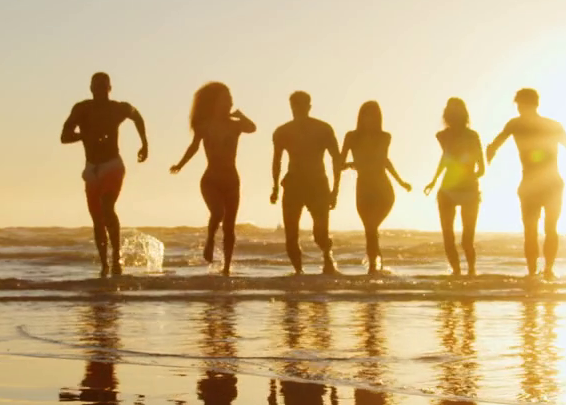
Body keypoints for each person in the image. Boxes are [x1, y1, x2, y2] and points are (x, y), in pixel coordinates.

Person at [485, 87, 566, 279]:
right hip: (546, 184)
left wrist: (489, 153)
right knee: (541, 230)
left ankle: (540, 271)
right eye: (519, 106)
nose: (520, 109)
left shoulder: (519, 124)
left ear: (528, 105)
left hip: (541, 184)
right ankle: (542, 271)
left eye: (521, 105)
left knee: (539, 230)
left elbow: (495, 145)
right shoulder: (546, 125)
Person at [60, 72, 148, 278]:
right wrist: (84, 135)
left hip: (112, 165)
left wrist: (144, 143)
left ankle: (116, 257)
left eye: (103, 86)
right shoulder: (82, 109)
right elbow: (64, 136)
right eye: (96, 86)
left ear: (110, 88)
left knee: (108, 207)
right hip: (92, 169)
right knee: (97, 220)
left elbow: (136, 115)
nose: (99, 89)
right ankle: (104, 265)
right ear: (91, 89)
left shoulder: (117, 108)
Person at [169, 81, 256, 275]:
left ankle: (226, 267)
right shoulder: (204, 126)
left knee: (230, 227)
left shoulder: (235, 125)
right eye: (226, 98)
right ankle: (209, 239)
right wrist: (180, 165)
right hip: (211, 180)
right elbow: (194, 147)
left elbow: (252, 128)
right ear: (215, 102)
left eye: (231, 98)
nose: (230, 101)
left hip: (232, 180)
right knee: (218, 213)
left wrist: (240, 114)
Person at [269, 91, 342, 275]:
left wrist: (335, 190)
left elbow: (336, 159)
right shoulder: (282, 131)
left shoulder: (323, 129)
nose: (298, 110)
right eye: (295, 106)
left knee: (320, 234)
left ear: (309, 107)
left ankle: (327, 258)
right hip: (293, 184)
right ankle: (299, 273)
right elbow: (276, 161)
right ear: (291, 107)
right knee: (291, 236)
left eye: (302, 106)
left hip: (318, 184)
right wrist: (275, 187)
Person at [341, 101, 410, 274]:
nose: (369, 119)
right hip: (363, 188)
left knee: (371, 228)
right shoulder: (351, 137)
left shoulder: (384, 137)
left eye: (373, 116)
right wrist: (336, 187)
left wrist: (401, 182)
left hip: (383, 189)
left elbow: (382, 160)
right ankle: (375, 268)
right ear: (361, 117)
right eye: (366, 115)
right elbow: (339, 162)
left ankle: (373, 267)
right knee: (370, 230)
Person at [421, 96, 484, 276]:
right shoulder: (442, 136)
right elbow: (447, 158)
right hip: (447, 190)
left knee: (467, 240)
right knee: (448, 237)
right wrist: (433, 181)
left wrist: (473, 175)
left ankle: (471, 272)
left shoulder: (473, 136)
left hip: (470, 190)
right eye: (452, 112)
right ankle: (457, 272)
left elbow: (481, 166)